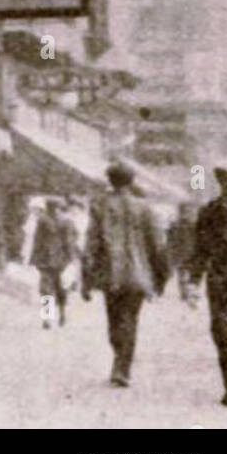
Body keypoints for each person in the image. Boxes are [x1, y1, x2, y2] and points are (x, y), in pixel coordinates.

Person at [81, 160, 170, 388]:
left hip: (112, 276)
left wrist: (87, 277)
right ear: (132, 181)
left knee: (115, 322)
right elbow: (158, 246)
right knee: (129, 320)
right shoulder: (145, 207)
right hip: (138, 275)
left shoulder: (100, 206)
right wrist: (161, 277)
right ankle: (122, 366)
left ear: (110, 181)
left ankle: (120, 366)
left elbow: (91, 244)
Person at [188, 162, 227, 406]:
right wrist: (193, 281)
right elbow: (200, 250)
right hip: (219, 280)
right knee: (223, 335)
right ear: (219, 182)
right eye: (225, 179)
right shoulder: (209, 212)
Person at [30, 197, 78, 328]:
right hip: (62, 260)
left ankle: (48, 318)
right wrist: (72, 258)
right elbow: (72, 241)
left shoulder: (42, 221)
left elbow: (37, 241)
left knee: (47, 290)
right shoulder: (67, 221)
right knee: (61, 288)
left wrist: (34, 259)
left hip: (46, 260)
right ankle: (61, 314)